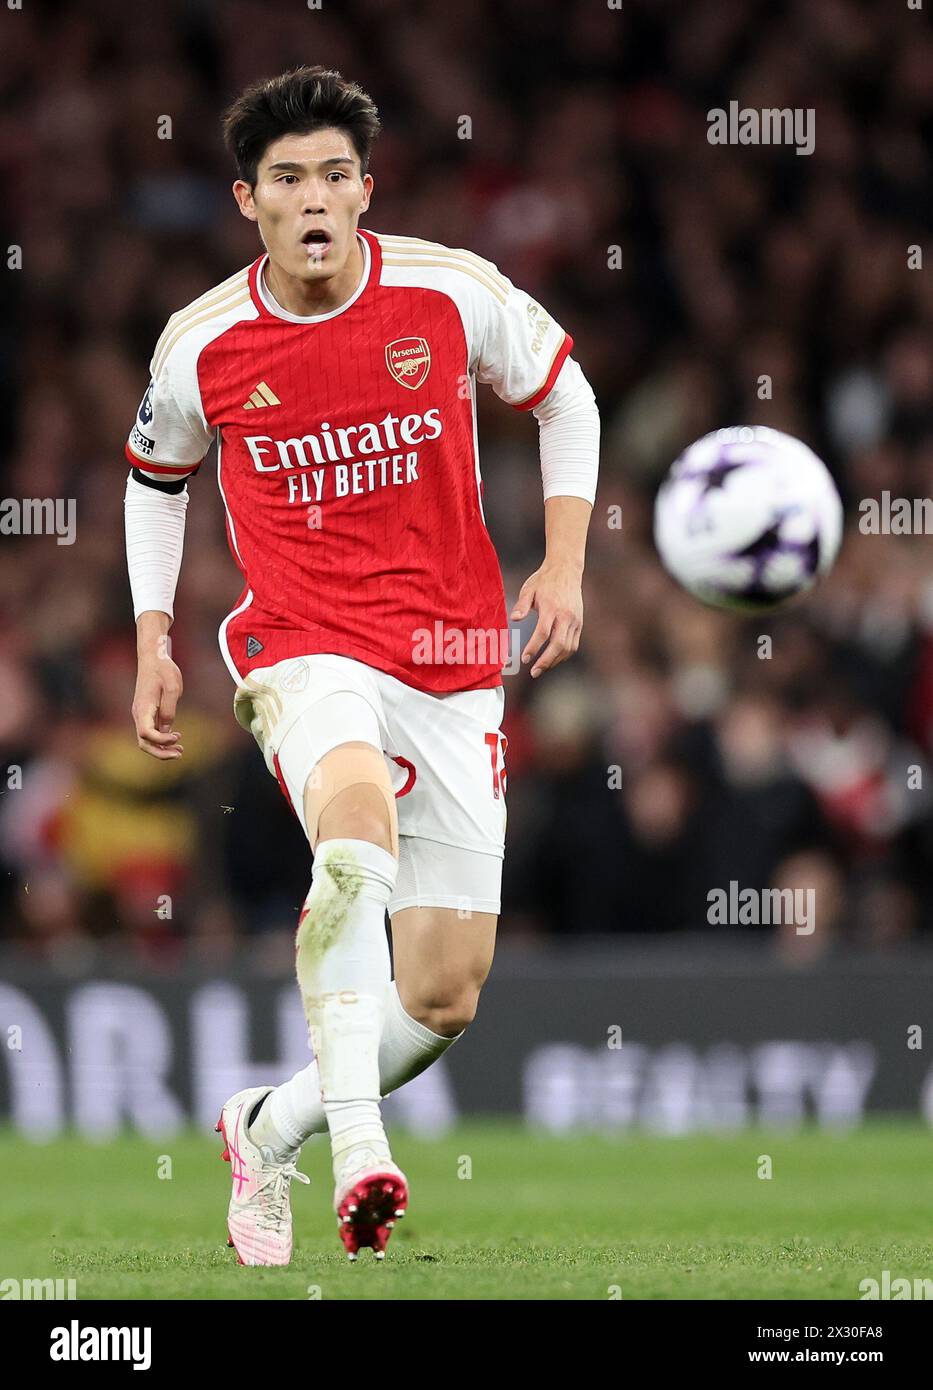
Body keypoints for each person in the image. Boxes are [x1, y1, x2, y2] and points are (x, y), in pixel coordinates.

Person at [124, 65, 599, 1264]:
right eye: (288, 178)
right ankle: (359, 1148)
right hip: (299, 643)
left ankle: (263, 1128)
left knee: (442, 992)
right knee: (351, 837)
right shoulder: (204, 343)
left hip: (448, 652)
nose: (315, 196)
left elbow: (567, 397)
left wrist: (565, 563)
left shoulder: (448, 292)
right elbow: (155, 480)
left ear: (365, 190)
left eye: (336, 174)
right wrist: (151, 638)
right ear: (249, 201)